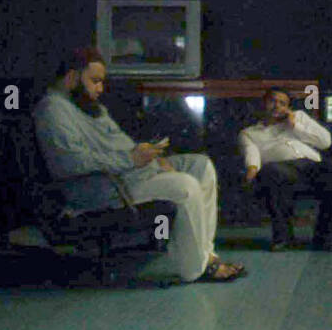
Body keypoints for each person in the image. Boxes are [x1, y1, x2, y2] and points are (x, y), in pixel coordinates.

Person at [32, 47, 244, 283]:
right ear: (72, 77)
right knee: (185, 186)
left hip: (130, 174)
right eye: (95, 81)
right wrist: (133, 160)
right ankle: (196, 269)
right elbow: (69, 163)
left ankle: (207, 254)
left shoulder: (92, 108)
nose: (100, 89)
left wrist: (152, 158)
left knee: (200, 165)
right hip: (106, 189)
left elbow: (121, 144)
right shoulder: (53, 110)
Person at [240, 87, 332, 252]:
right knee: (271, 172)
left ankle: (324, 238)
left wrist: (295, 126)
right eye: (273, 101)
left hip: (310, 165)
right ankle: (283, 237)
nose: (277, 106)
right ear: (263, 104)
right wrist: (252, 169)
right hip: (280, 168)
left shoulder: (299, 117)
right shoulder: (249, 133)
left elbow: (325, 142)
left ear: (288, 107)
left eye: (282, 103)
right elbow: (251, 153)